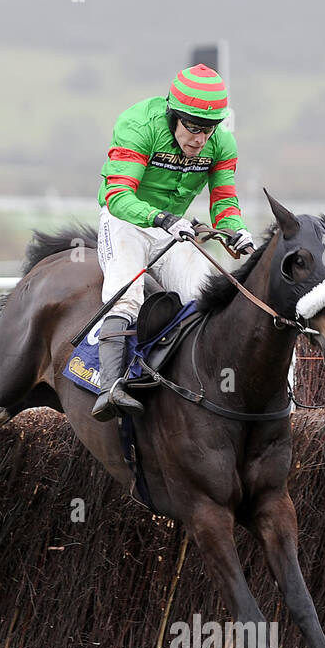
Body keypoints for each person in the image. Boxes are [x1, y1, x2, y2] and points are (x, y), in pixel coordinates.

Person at [92, 63, 256, 422]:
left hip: (173, 228)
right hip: (126, 221)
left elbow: (225, 202)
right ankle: (110, 388)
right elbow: (119, 196)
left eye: (209, 130)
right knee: (127, 294)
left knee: (204, 297)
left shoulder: (222, 144)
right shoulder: (138, 125)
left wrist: (236, 231)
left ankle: (202, 386)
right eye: (193, 128)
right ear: (173, 115)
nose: (200, 139)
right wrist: (162, 219)